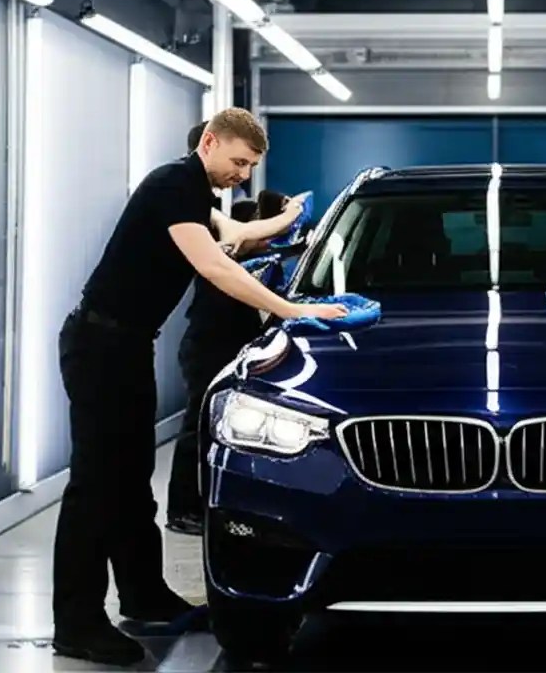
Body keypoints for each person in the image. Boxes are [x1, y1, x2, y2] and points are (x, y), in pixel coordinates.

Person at [51, 108, 347, 666]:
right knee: (95, 485)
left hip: (130, 345)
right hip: (99, 348)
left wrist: (288, 220)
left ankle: (146, 597)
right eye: (238, 162)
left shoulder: (194, 192)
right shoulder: (171, 185)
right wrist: (292, 308)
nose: (243, 175)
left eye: (252, 166)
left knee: (134, 478)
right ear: (209, 143)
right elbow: (216, 266)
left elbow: (237, 233)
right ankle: (77, 622)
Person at [166, 197, 268, 535]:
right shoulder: (226, 260)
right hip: (207, 351)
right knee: (197, 430)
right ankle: (182, 511)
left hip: (221, 349)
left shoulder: (248, 261)